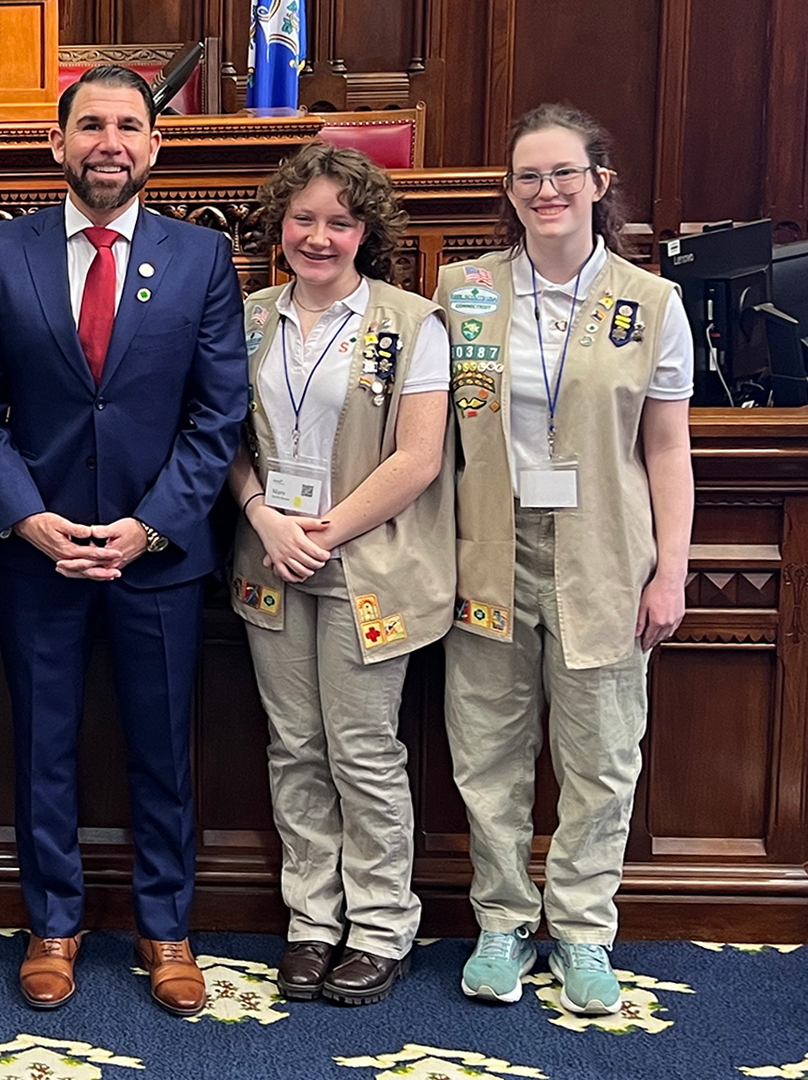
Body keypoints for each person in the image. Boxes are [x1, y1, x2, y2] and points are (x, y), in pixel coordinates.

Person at [0, 64, 248, 1014]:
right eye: (91, 125)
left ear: (155, 145)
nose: (109, 142)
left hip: (157, 558)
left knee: (162, 749)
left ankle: (166, 929)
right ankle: (53, 924)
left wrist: (150, 526)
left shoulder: (202, 260)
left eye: (129, 125)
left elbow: (218, 418)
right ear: (59, 144)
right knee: (43, 746)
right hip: (36, 551)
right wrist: (30, 518)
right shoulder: (1, 255)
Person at [441, 103, 693, 1015]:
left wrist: (672, 569)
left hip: (606, 555)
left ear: (599, 182)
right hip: (488, 552)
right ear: (509, 193)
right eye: (528, 177)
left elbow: (668, 448)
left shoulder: (650, 301)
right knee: (489, 751)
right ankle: (503, 923)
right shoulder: (461, 290)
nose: (547, 191)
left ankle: (585, 932)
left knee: (601, 756)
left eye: (564, 174)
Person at [223, 143, 452, 1006]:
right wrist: (264, 519)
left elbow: (421, 457)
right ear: (280, 225)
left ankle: (382, 925)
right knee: (295, 748)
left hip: (367, 564)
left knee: (362, 750)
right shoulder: (246, 317)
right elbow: (223, 443)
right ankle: (311, 920)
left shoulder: (411, 321)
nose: (319, 238)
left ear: (367, 231)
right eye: (304, 219)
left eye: (340, 222)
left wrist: (321, 530)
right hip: (270, 559)